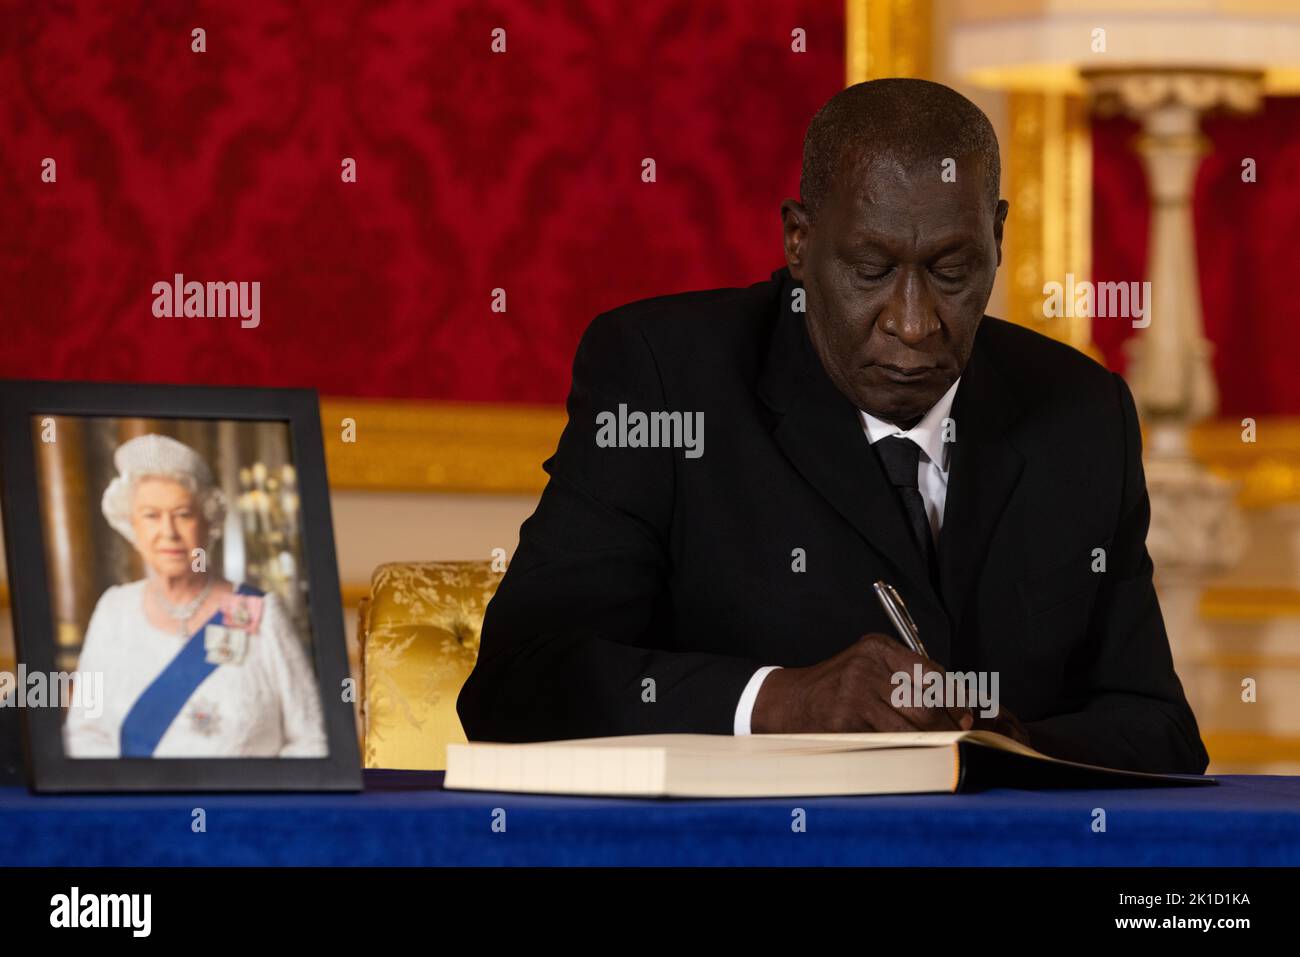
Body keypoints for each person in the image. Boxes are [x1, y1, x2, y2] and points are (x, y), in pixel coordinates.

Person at [457, 78, 1208, 775]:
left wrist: (990, 733)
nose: (913, 324)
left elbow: (1159, 731)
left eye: (951, 271)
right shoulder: (665, 376)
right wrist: (783, 701)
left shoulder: (1080, 413)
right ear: (799, 242)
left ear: (998, 238)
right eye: (870, 269)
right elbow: (520, 684)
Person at [63, 433, 327, 758]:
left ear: (209, 522)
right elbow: (84, 735)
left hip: (244, 807)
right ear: (132, 526)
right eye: (151, 515)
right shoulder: (113, 611)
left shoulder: (261, 612)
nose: (168, 532)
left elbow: (311, 741)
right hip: (137, 808)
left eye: (183, 514)